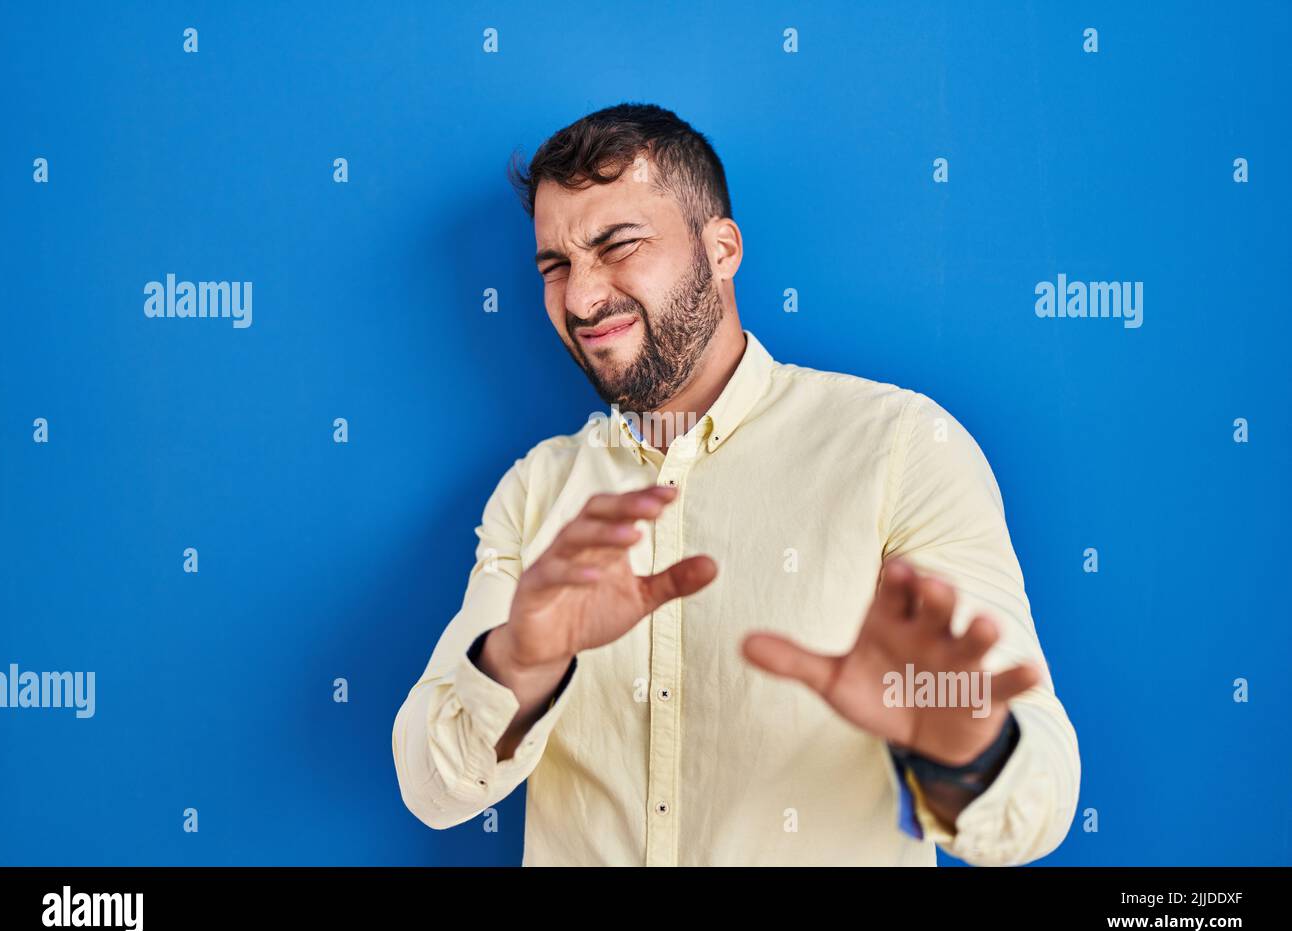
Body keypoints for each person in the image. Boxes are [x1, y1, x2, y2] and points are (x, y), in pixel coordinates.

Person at [391, 102, 1080, 866]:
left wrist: (963, 742)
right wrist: (519, 663)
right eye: (556, 266)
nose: (582, 299)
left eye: (618, 245)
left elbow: (1036, 807)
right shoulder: (535, 491)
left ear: (721, 250)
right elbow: (433, 789)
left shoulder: (901, 447)